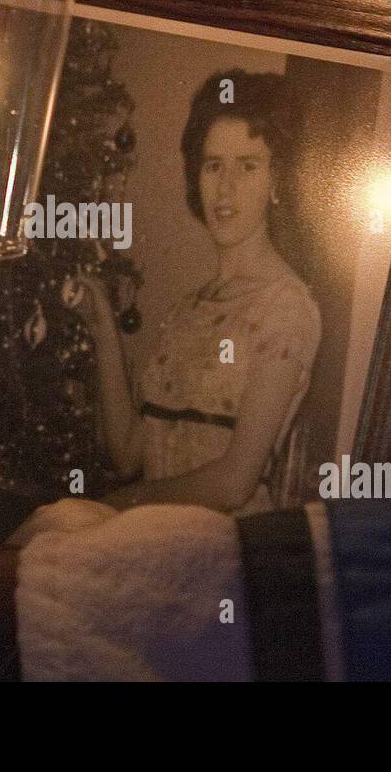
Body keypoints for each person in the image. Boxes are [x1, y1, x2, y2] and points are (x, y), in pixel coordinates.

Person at [74, 70, 321, 515]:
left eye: (248, 166)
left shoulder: (286, 309)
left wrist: (126, 503)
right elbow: (129, 453)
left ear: (278, 181)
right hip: (151, 535)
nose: (225, 189)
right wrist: (106, 335)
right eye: (213, 166)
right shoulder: (189, 308)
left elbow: (234, 484)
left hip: (218, 550)